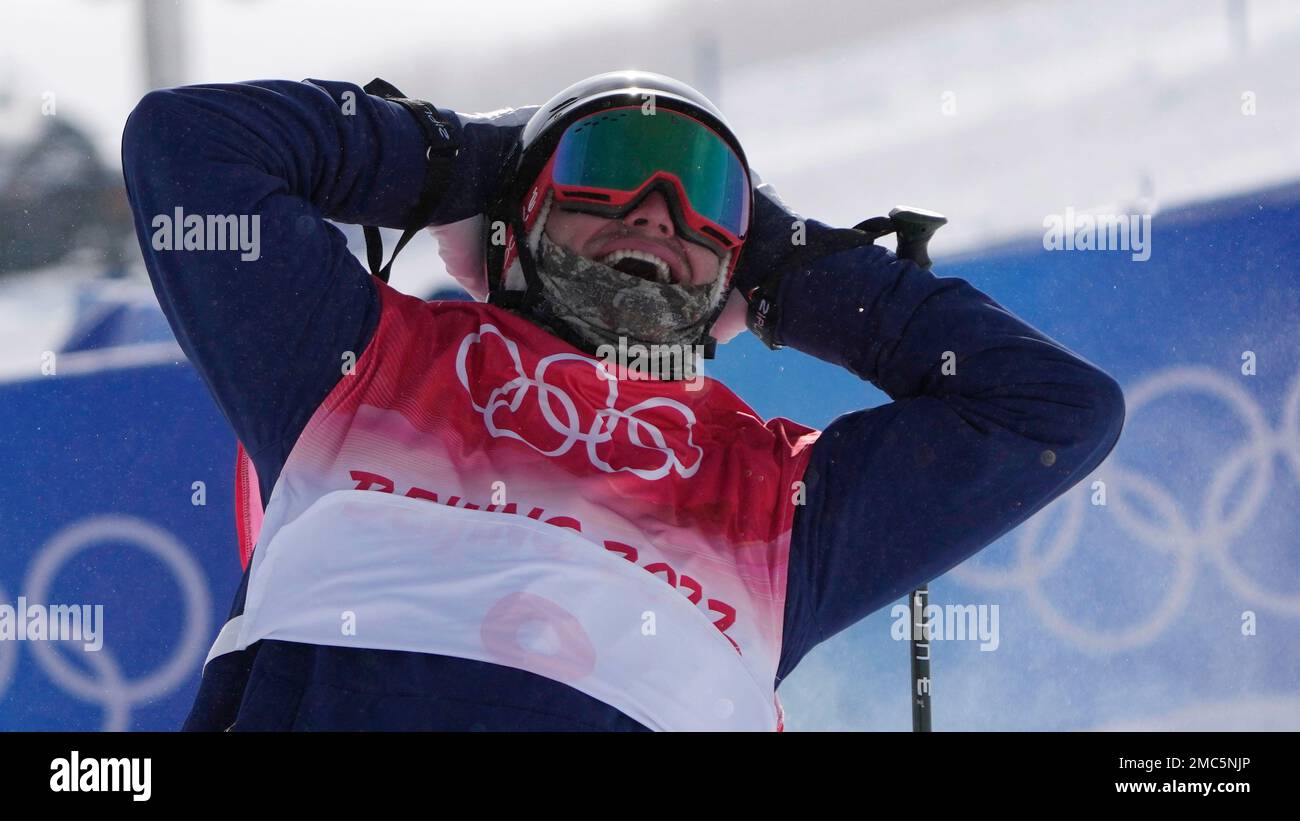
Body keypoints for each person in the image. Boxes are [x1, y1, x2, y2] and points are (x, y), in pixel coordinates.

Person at [121, 70, 1125, 731]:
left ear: (736, 267)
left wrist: (795, 266)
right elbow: (188, 143)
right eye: (604, 174)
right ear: (513, 226)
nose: (655, 212)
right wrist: (464, 160)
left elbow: (1052, 407)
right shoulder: (363, 357)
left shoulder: (776, 502)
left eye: (704, 200)